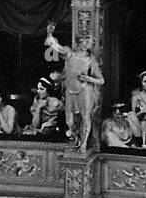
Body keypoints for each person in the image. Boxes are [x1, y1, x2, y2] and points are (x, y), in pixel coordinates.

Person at [44, 21, 105, 150]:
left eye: (87, 42)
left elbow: (101, 80)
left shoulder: (90, 60)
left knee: (85, 117)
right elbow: (54, 45)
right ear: (78, 42)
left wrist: (87, 78)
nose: (84, 44)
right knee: (70, 121)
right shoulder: (69, 54)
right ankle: (75, 138)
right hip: (69, 90)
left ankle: (83, 143)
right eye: (82, 41)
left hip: (84, 90)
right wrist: (49, 33)